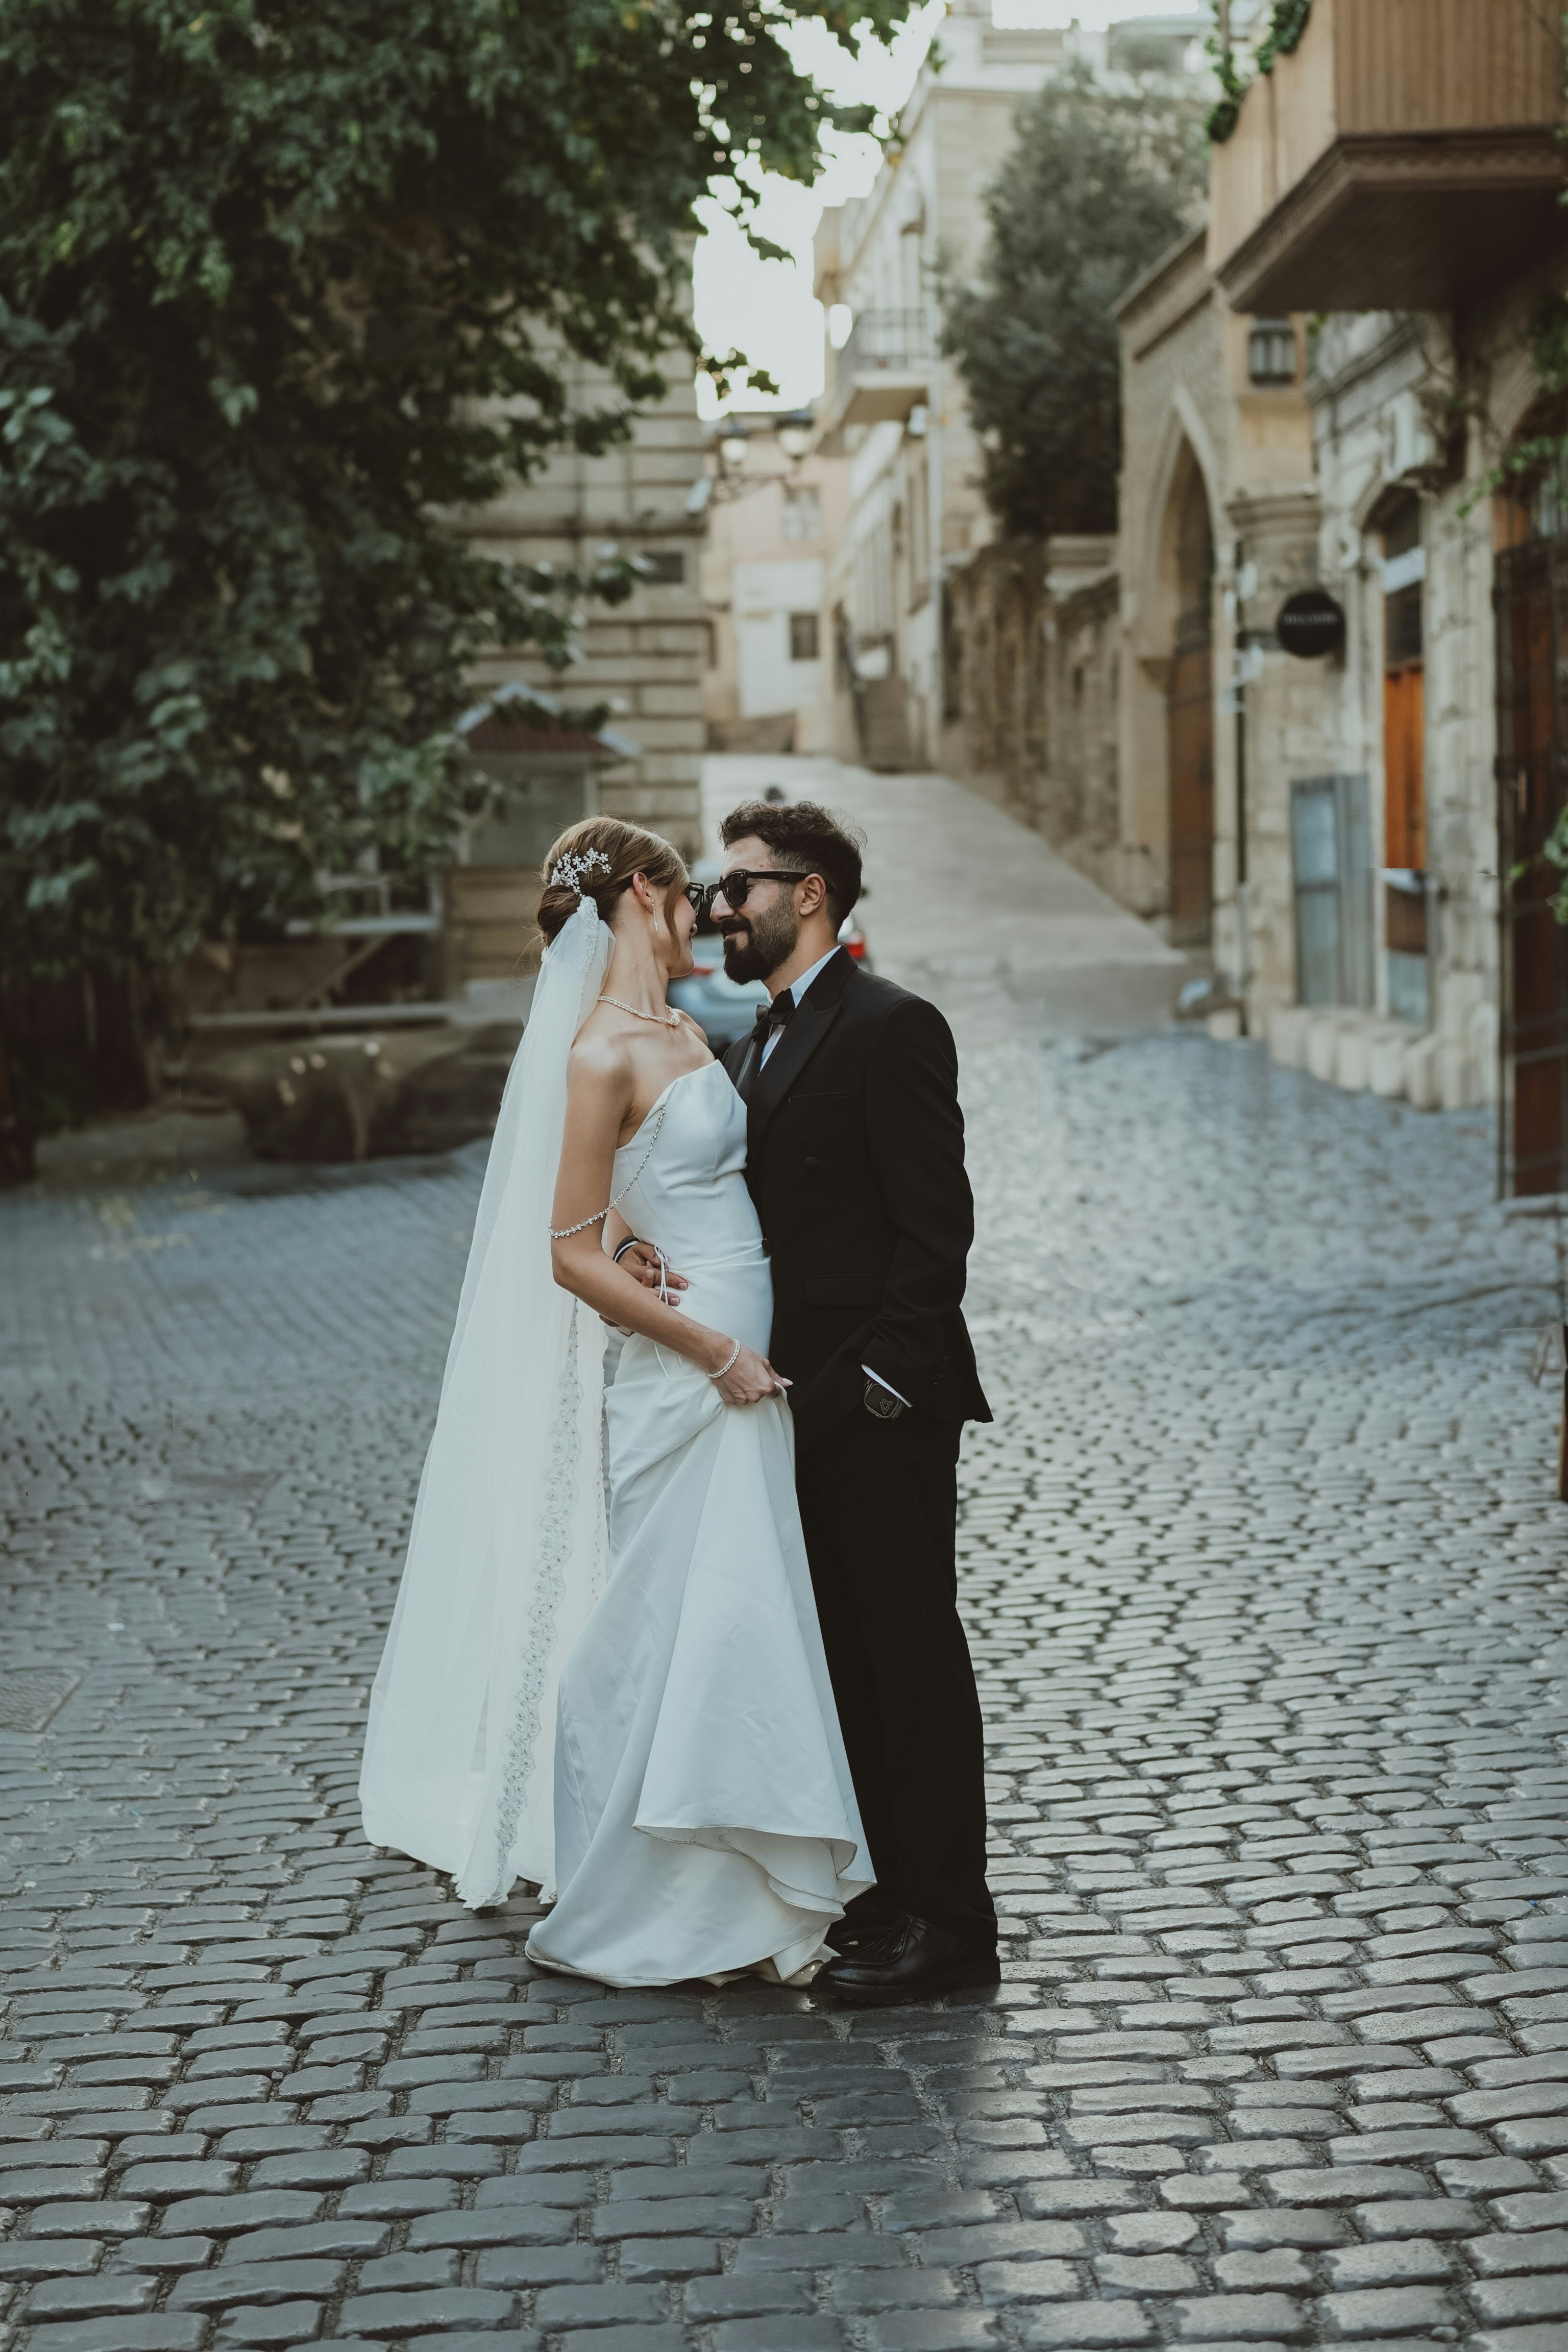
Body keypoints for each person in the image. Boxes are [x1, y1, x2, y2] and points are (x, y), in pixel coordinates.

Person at [359, 816, 869, 1988]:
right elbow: (561, 1251)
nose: (708, 912)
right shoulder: (599, 1050)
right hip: (694, 1382)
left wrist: (637, 1237)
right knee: (674, 1627)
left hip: (739, 1369)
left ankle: (742, 1878)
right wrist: (711, 1351)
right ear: (642, 898)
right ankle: (672, 1894)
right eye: (692, 892)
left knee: (734, 1621)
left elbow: (620, 1209)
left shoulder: (683, 1027)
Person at [714, 798, 997, 2003]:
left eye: (742, 889)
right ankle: (888, 1897)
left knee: (910, 1655)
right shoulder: (756, 1038)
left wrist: (880, 1386)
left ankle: (953, 1921)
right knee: (842, 1659)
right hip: (791, 1406)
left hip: (878, 1409)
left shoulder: (892, 1027)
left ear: (810, 892)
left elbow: (938, 1236)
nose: (724, 909)